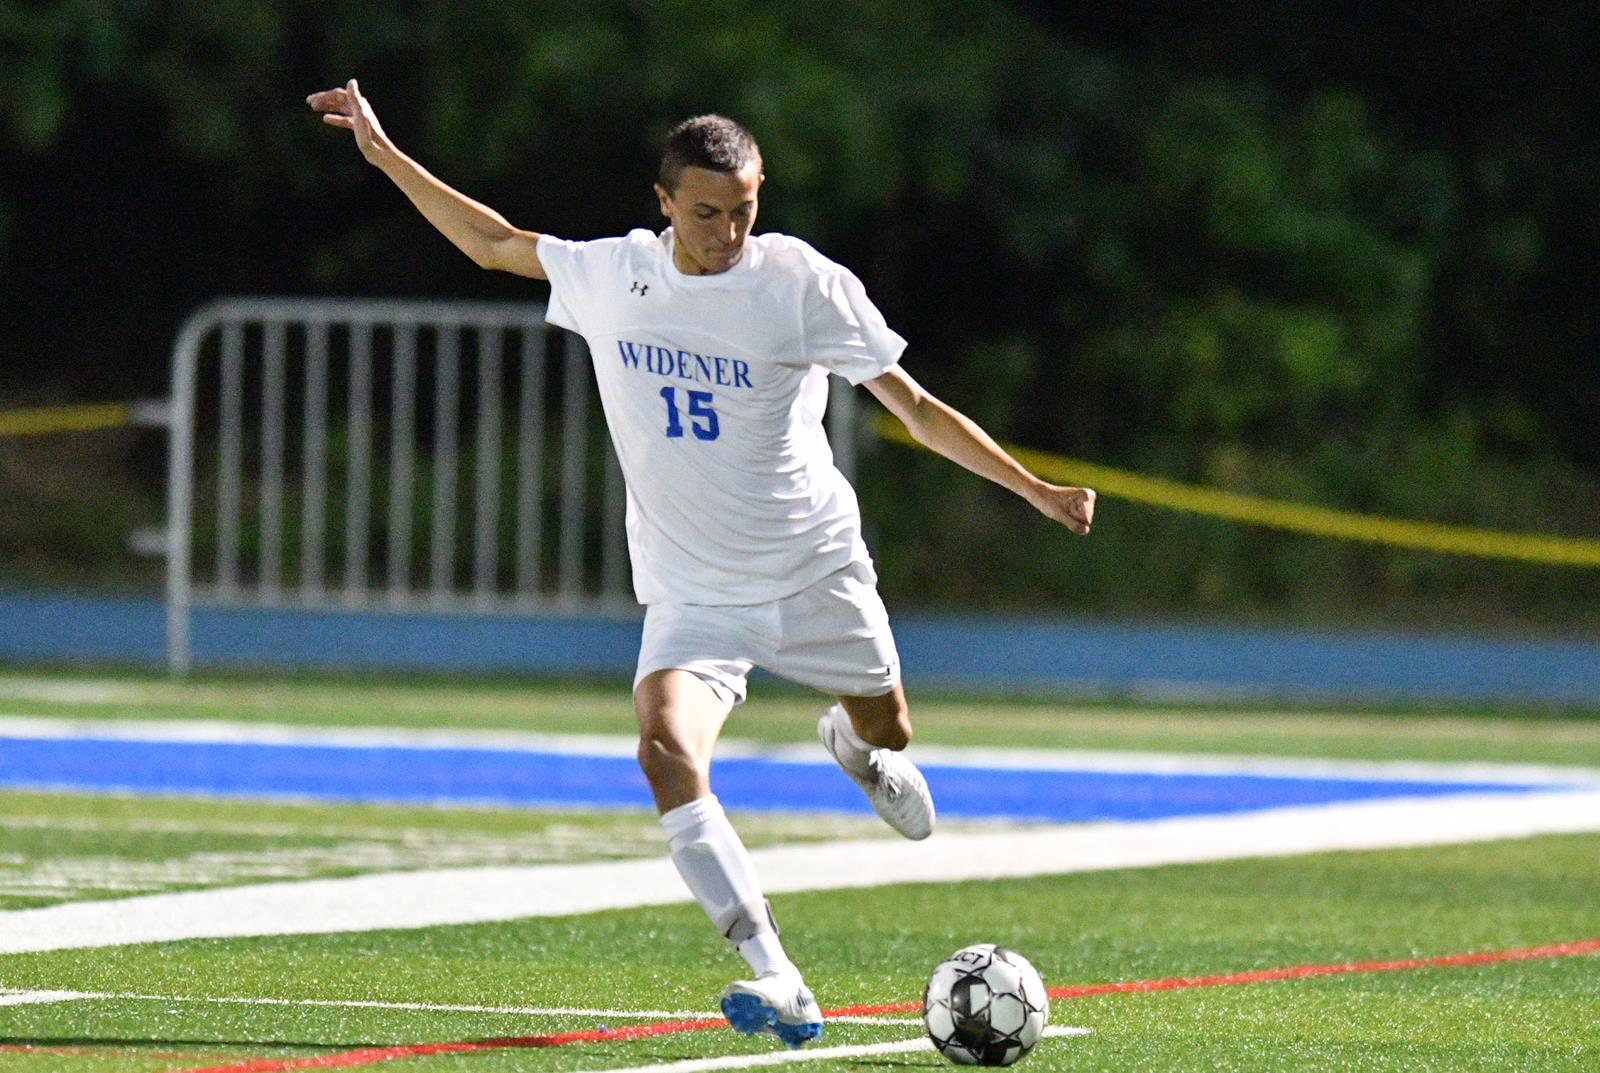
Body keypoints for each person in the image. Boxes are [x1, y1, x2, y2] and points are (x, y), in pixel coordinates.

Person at [308, 79, 1095, 1048]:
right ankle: (777, 973)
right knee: (663, 748)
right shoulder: (616, 275)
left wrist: (1035, 489)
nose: (727, 232)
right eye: (708, 211)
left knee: (889, 722)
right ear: (665, 200)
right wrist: (383, 152)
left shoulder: (800, 283)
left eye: (746, 209)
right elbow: (493, 242)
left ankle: (854, 749)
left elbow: (918, 409)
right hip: (693, 590)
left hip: (813, 567)